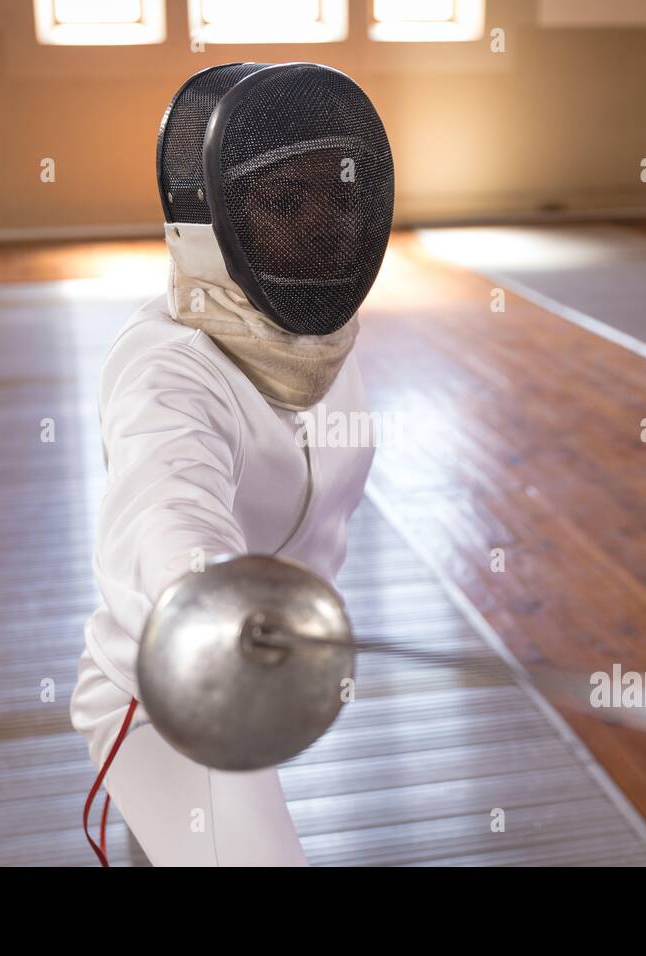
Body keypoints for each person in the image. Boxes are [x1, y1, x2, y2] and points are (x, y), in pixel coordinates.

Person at [68, 62, 394, 866]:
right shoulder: (168, 368)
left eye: (342, 195)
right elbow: (164, 500)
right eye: (287, 201)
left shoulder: (314, 338)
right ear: (214, 219)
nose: (328, 224)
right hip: (162, 686)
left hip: (260, 678)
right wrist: (206, 590)